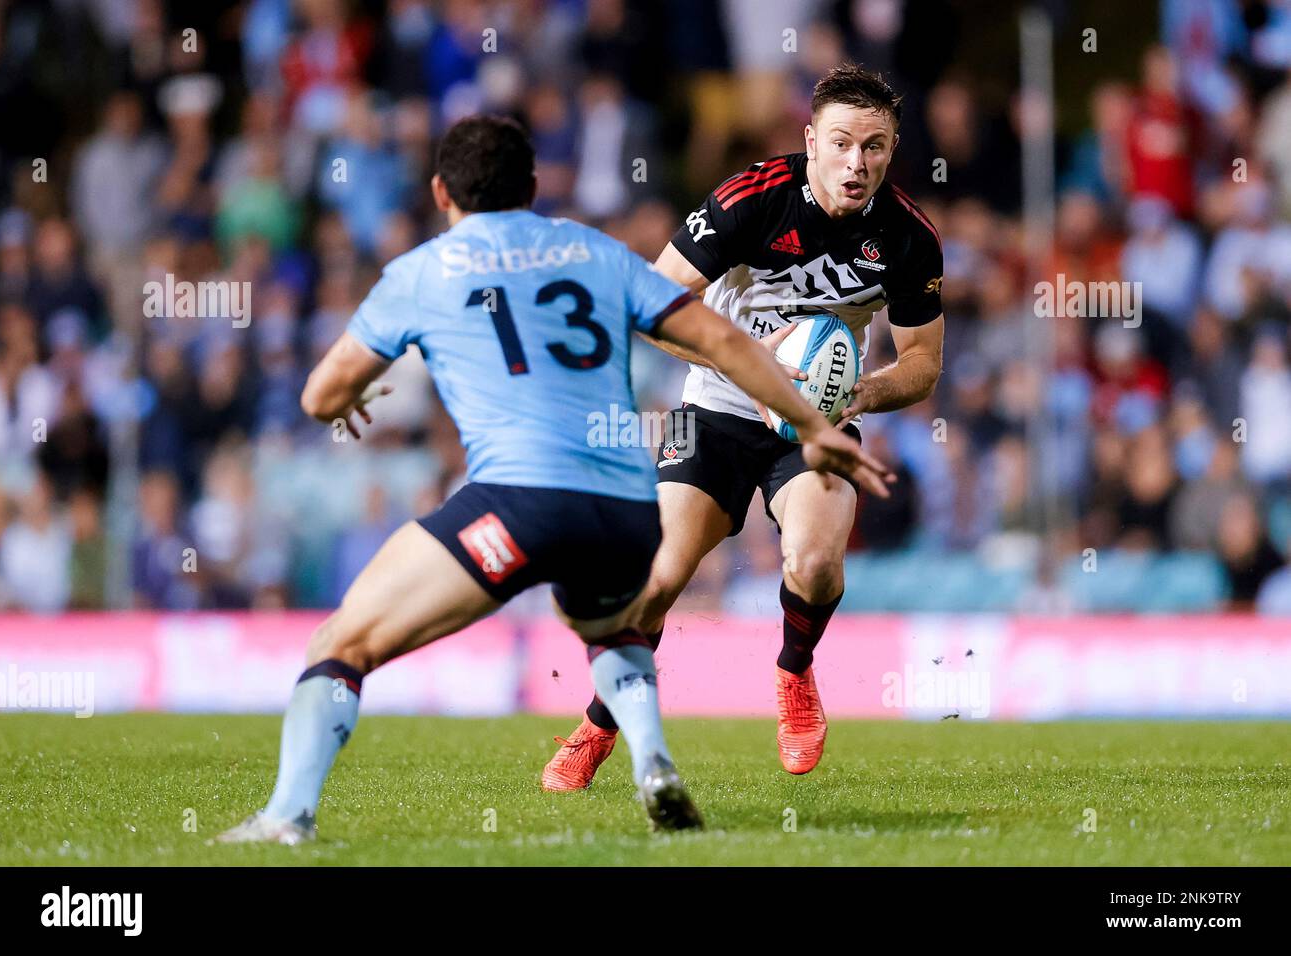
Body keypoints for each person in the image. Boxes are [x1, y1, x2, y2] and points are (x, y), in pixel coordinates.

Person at [215, 115, 893, 843]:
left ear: (442, 192)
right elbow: (719, 336)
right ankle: (654, 761)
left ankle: (287, 816)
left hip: (516, 504)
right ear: (534, 188)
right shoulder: (596, 252)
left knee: (340, 643)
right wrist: (816, 423)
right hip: (620, 507)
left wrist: (348, 398)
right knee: (614, 627)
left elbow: (319, 396)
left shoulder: (421, 270)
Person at [543, 63, 944, 790]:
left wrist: (857, 393)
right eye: (843, 143)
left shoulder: (909, 238)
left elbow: (922, 365)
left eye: (877, 146)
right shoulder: (751, 199)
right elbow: (654, 307)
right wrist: (751, 364)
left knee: (817, 564)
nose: (858, 164)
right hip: (716, 406)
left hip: (821, 417)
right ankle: (600, 722)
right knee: (659, 577)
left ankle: (793, 676)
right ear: (811, 140)